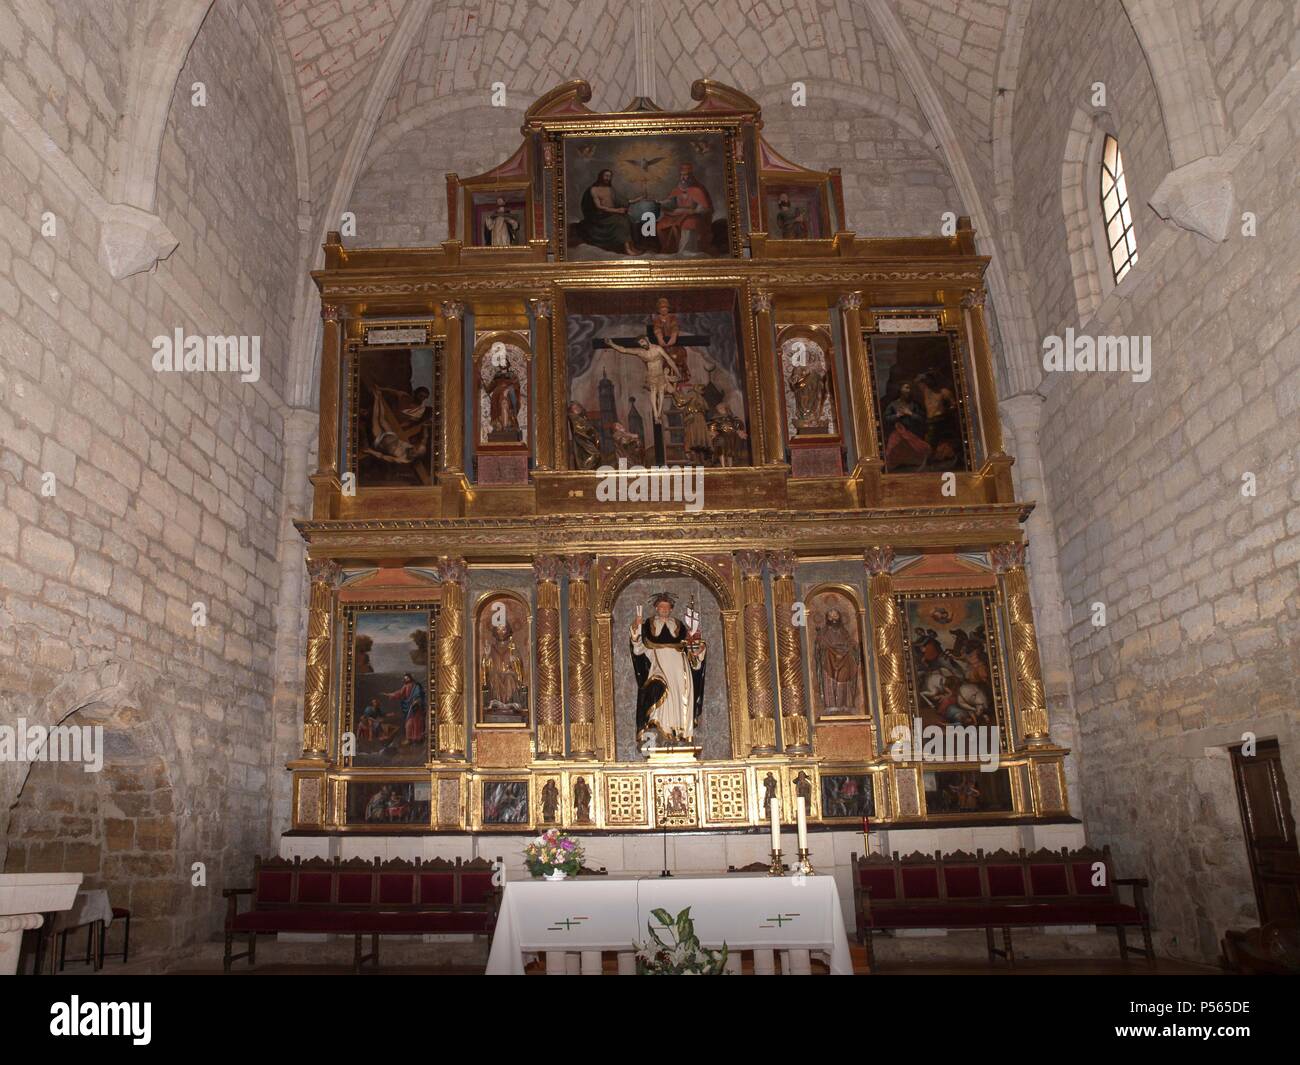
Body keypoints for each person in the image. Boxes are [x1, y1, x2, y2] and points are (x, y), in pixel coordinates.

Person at [630, 593, 706, 746]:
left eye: (667, 607)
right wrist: (636, 628)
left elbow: (691, 648)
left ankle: (676, 735)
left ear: (671, 609)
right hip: (658, 664)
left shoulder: (679, 625)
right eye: (661, 606)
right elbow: (638, 648)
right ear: (656, 608)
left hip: (679, 668)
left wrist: (699, 650)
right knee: (656, 689)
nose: (664, 609)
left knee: (678, 697)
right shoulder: (648, 625)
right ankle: (657, 733)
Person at [605, 336, 679, 422]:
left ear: (647, 339)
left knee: (661, 393)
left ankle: (659, 414)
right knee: (654, 392)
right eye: (640, 343)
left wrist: (677, 372)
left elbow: (669, 360)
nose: (642, 344)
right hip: (651, 375)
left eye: (643, 341)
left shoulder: (658, 348)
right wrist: (612, 344)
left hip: (660, 374)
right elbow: (624, 350)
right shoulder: (640, 352)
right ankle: (656, 415)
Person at [575, 169, 636, 255]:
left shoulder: (610, 189)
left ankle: (632, 247)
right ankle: (627, 249)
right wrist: (617, 210)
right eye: (606, 176)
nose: (608, 178)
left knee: (629, 219)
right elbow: (599, 207)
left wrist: (638, 199)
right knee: (621, 222)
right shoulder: (594, 189)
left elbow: (623, 201)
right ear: (601, 176)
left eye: (610, 176)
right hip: (601, 216)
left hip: (612, 213)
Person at [814, 607, 862, 714]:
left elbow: (851, 642)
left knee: (844, 682)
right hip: (829, 660)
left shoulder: (844, 632)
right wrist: (822, 643)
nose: (833, 618)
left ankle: (845, 704)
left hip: (845, 660)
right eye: (830, 616)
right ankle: (831, 705)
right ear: (827, 618)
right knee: (830, 682)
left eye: (835, 615)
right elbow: (820, 645)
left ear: (839, 617)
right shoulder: (823, 632)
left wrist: (853, 647)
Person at [657, 163, 713, 254]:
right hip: (676, 215)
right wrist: (660, 203)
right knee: (661, 225)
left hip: (693, 215)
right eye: (682, 175)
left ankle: (686, 251)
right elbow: (669, 201)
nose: (683, 178)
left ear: (691, 176)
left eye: (686, 175)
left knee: (689, 223)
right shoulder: (676, 190)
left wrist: (693, 211)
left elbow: (705, 208)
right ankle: (670, 249)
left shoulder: (697, 190)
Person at [882, 381, 932, 470]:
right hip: (898, 432)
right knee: (891, 449)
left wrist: (910, 413)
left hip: (912, 432)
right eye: (906, 388)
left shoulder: (914, 405)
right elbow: (886, 418)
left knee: (922, 448)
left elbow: (921, 418)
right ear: (900, 390)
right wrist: (897, 415)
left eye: (909, 388)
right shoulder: (893, 404)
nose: (908, 390)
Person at [383, 672, 426, 745]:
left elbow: (419, 695)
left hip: (417, 707)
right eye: (405, 678)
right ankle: (409, 739)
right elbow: (400, 693)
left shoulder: (416, 686)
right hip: (410, 706)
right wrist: (390, 694)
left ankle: (417, 738)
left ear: (410, 678)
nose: (406, 679)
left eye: (407, 678)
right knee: (409, 723)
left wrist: (416, 702)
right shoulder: (405, 686)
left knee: (417, 722)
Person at [567, 401, 602, 469]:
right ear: (571, 410)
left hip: (586, 439)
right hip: (582, 439)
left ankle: (588, 468)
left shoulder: (582, 418)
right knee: (595, 455)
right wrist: (591, 431)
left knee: (594, 455)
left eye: (578, 407)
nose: (577, 409)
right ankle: (586, 468)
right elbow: (580, 429)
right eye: (574, 408)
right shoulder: (574, 417)